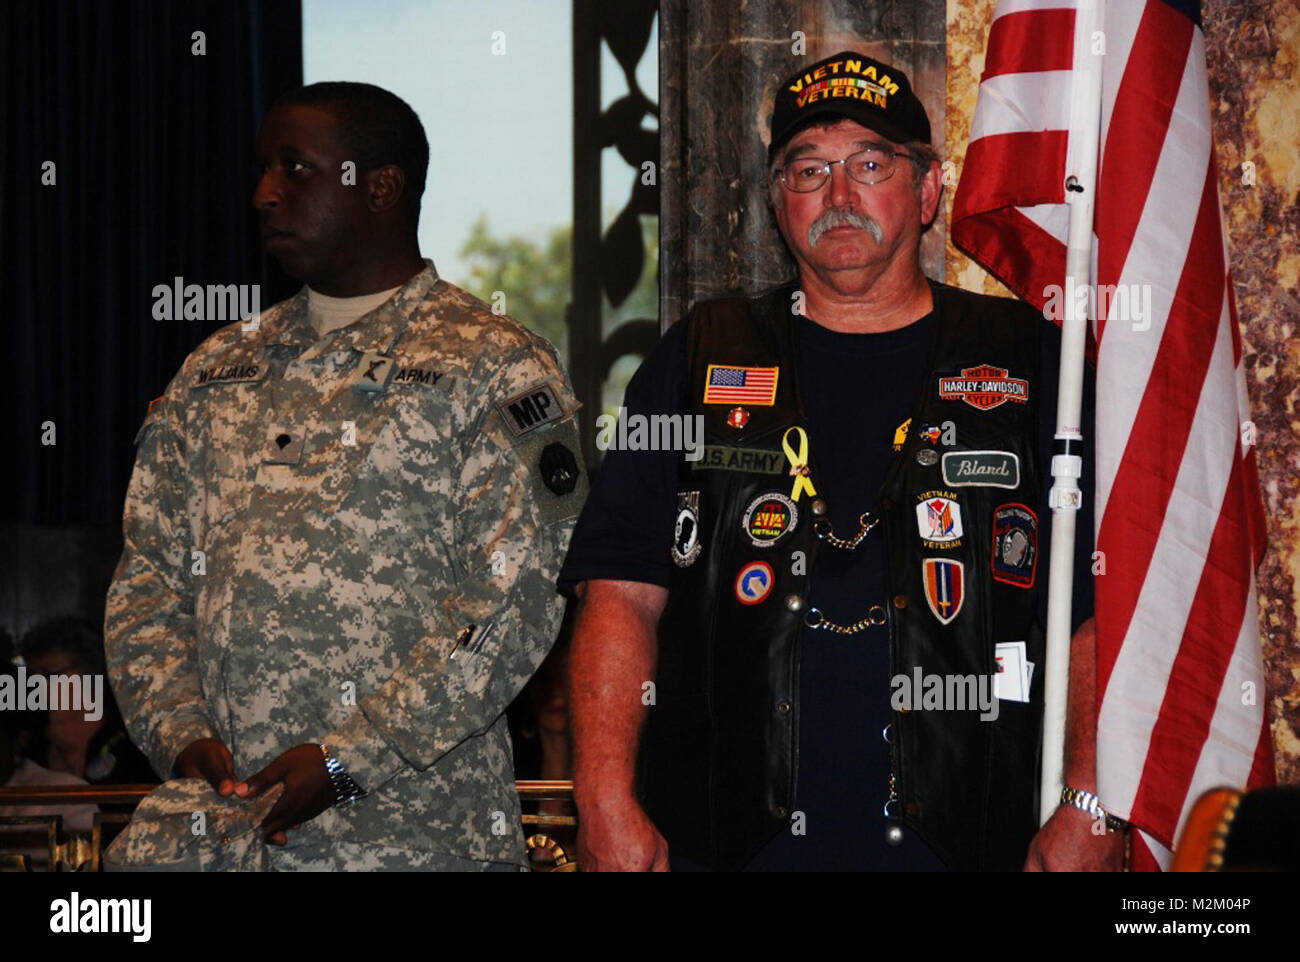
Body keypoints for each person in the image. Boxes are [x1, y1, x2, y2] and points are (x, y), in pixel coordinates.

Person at [561, 52, 1122, 871]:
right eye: (808, 169)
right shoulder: (701, 354)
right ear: (777, 203)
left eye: (870, 163)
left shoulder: (1030, 358)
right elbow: (621, 592)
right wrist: (603, 796)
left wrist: (1088, 801)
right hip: (732, 833)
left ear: (928, 191)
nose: (838, 195)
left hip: (975, 833)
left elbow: (1102, 601)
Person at [104, 81, 586, 871]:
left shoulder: (494, 366)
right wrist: (183, 737)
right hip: (221, 836)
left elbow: (515, 603)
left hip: (415, 838)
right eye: (263, 168)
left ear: (381, 188)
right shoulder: (217, 368)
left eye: (296, 170)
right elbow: (148, 581)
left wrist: (346, 760)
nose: (264, 193)